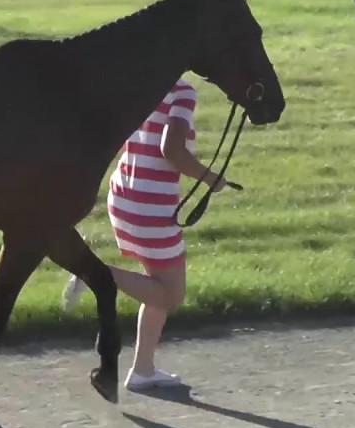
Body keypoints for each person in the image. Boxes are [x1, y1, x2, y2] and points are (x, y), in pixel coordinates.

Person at [62, 76, 229, 392]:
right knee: (171, 293)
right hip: (150, 204)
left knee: (156, 288)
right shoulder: (182, 92)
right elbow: (172, 150)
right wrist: (211, 179)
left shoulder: (140, 84)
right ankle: (93, 273)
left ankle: (143, 370)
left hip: (124, 192)